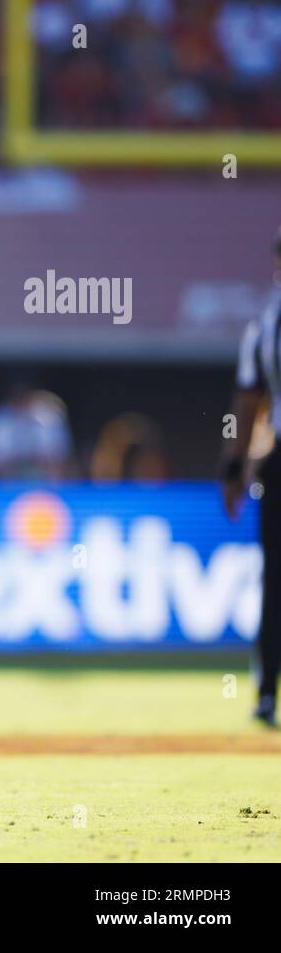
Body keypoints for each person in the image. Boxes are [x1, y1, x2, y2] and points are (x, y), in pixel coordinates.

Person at [220, 224, 281, 728]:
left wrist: (233, 466)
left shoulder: (265, 323)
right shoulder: (264, 325)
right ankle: (265, 692)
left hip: (278, 457)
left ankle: (266, 692)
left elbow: (247, 400)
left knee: (276, 580)